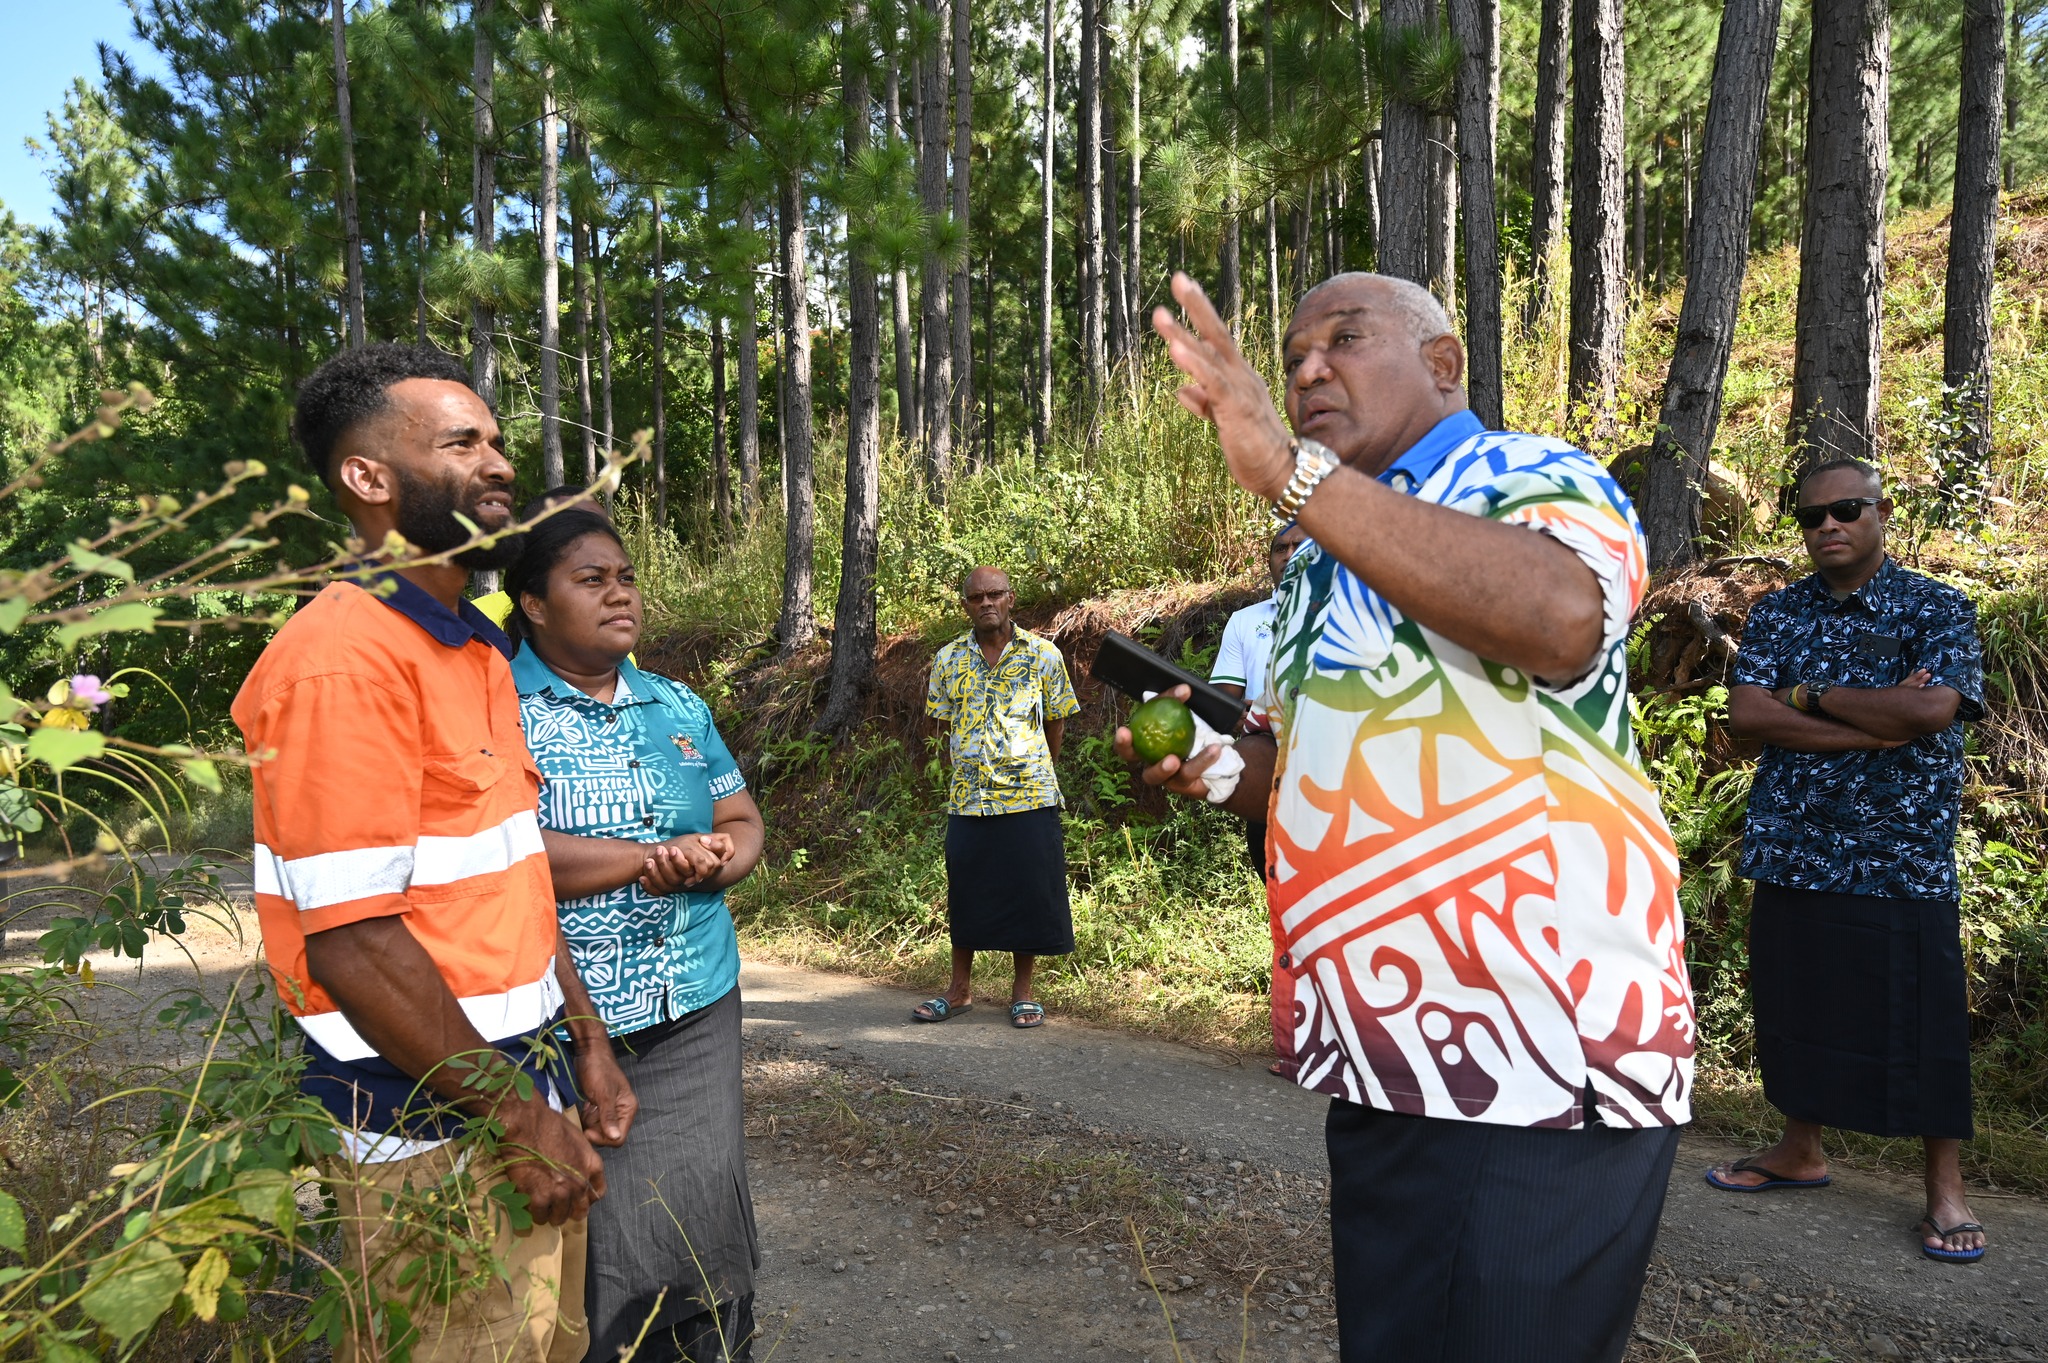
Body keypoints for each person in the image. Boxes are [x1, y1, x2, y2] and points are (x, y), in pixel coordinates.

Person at [1118, 272, 1695, 1363]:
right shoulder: (1319, 569)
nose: (1304, 372)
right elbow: (1293, 774)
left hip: (1538, 1052)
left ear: (1442, 366)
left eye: (1341, 340)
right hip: (1386, 1053)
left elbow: (1562, 617)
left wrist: (1293, 478)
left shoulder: (1524, 473)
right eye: (1289, 358)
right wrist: (1206, 765)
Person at [234, 343, 634, 1363]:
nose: (499, 462)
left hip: (522, 1093)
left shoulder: (467, 643)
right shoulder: (340, 660)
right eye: (462, 442)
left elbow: (505, 878)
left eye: (498, 439)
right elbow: (354, 941)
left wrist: (581, 1039)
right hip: (428, 1131)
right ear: (368, 479)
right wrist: (512, 1119)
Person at [1707, 458, 1988, 1265]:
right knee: (1799, 1002)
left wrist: (1811, 696)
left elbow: (1933, 707)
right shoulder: (1779, 613)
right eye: (1811, 516)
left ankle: (1945, 1186)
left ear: (1881, 512)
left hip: (1899, 851)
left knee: (1923, 1016)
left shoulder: (1936, 607)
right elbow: (1750, 714)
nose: (1828, 525)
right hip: (1797, 841)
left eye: (1846, 509)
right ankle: (1801, 1148)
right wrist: (1877, 722)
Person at [506, 507, 768, 1358]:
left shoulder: (676, 702)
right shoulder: (501, 710)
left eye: (625, 577)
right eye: (591, 580)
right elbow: (505, 854)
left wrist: (720, 858)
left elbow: (740, 812)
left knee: (701, 1197)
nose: (620, 593)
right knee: (599, 1219)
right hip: (567, 1015)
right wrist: (644, 856)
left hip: (696, 998)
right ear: (534, 604)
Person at [912, 566, 1081, 1029]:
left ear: (1011, 599)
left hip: (1029, 797)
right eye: (976, 597)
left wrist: (1034, 768)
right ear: (965, 605)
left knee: (1028, 892)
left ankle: (1023, 993)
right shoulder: (948, 659)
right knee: (966, 890)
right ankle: (959, 990)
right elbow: (943, 725)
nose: (986, 603)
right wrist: (966, 770)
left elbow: (1057, 722)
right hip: (969, 799)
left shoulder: (1044, 656)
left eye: (995, 594)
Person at [1211, 523, 1308, 1078]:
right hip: (1267, 776)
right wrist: (1253, 716)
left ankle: (1337, 1040)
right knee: (1284, 909)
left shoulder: (1344, 617)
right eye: (1280, 546)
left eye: (1302, 545)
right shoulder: (1247, 623)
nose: (1289, 554)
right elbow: (1225, 706)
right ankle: (1293, 1043)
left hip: (1342, 783)